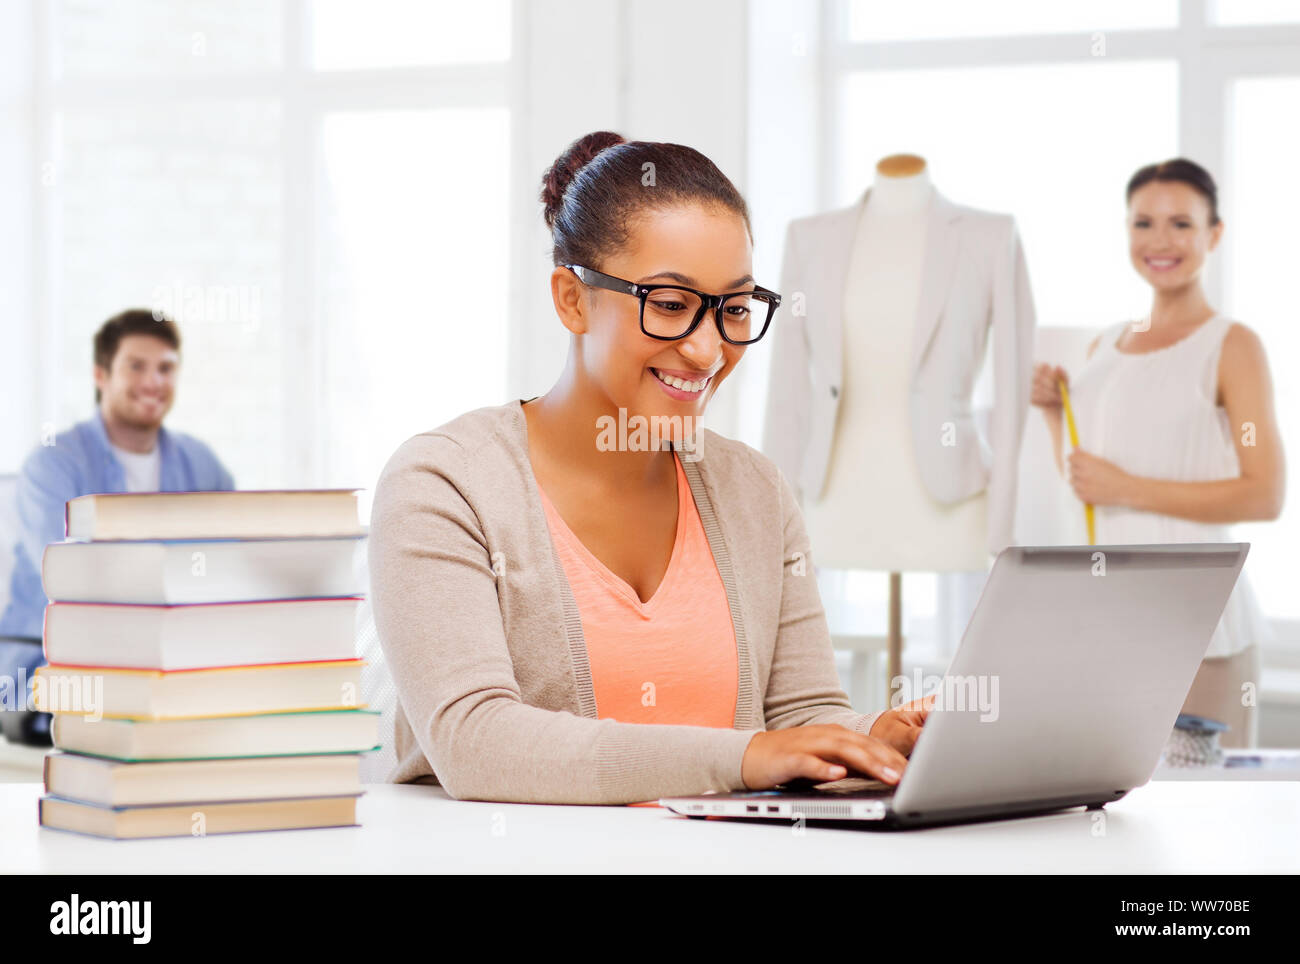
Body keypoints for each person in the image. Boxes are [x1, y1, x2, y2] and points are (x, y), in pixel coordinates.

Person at [368, 131, 932, 805]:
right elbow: (477, 744)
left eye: (733, 308)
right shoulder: (445, 485)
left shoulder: (753, 490)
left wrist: (878, 736)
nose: (707, 349)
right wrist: (747, 755)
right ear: (572, 299)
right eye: (669, 305)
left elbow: (801, 717)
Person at [1032, 158, 1284, 748]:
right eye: (1143, 223)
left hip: (1200, 628)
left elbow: (1265, 493)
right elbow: (1086, 483)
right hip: (1106, 622)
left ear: (1213, 235)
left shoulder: (1233, 345)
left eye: (1181, 224)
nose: (1160, 241)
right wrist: (1052, 414)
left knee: (1203, 817)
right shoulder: (1105, 344)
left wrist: (1127, 487)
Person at [0, 309, 235, 743]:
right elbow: (74, 583)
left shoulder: (201, 465)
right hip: (49, 669)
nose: (154, 381)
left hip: (171, 660)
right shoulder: (52, 465)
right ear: (100, 375)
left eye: (166, 368)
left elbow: (232, 571)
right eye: (136, 366)